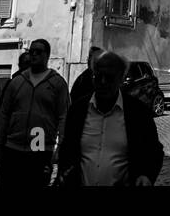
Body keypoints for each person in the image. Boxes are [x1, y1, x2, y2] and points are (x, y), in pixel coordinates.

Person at [57, 51, 163, 187]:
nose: (103, 82)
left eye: (109, 77)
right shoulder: (78, 110)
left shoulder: (138, 112)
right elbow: (68, 148)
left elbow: (154, 151)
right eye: (98, 76)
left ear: (121, 78)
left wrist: (146, 175)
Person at [0, 38, 70, 187]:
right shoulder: (17, 82)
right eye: (31, 51)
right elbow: (3, 115)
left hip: (39, 148)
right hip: (12, 148)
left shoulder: (57, 84)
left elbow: (64, 117)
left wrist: (61, 148)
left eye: (38, 52)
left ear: (47, 55)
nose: (34, 55)